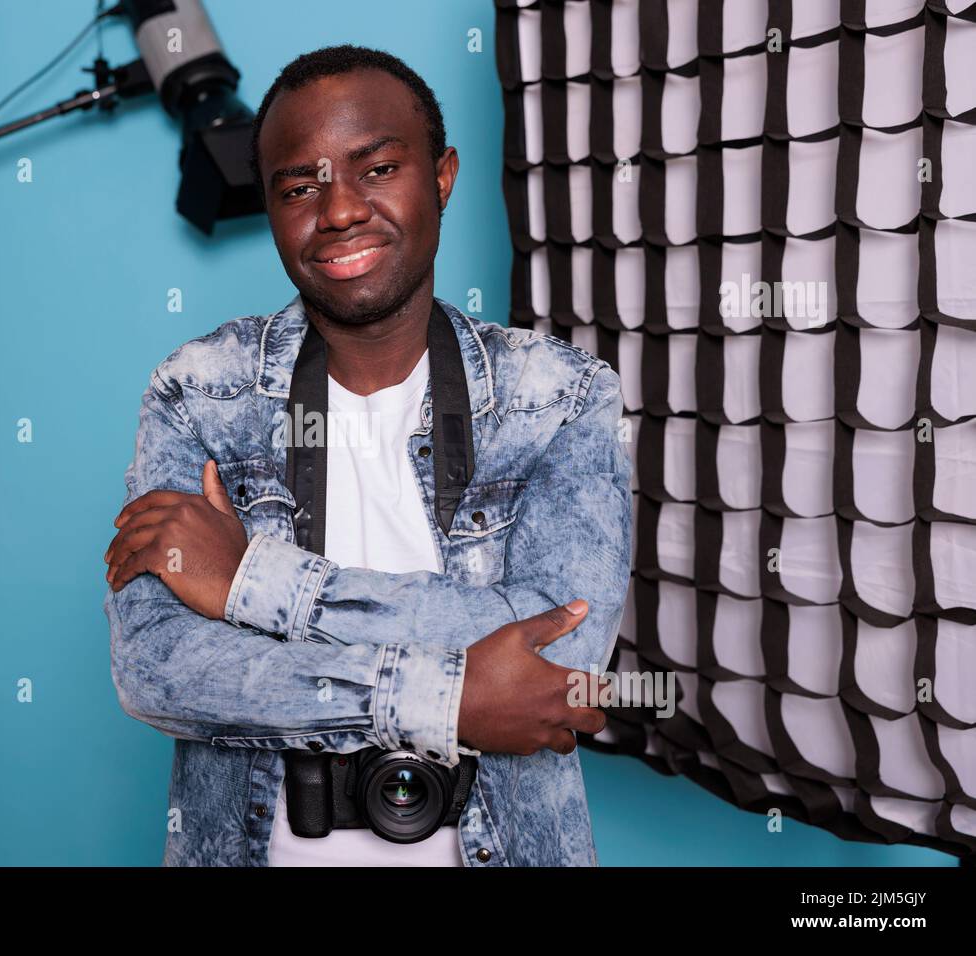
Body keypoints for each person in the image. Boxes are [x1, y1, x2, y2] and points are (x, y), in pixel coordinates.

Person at [103, 44, 633, 867]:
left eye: (377, 168)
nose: (340, 210)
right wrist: (443, 700)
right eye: (299, 186)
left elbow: (565, 658)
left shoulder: (560, 395)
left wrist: (251, 581)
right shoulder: (199, 392)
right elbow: (159, 667)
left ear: (443, 176)